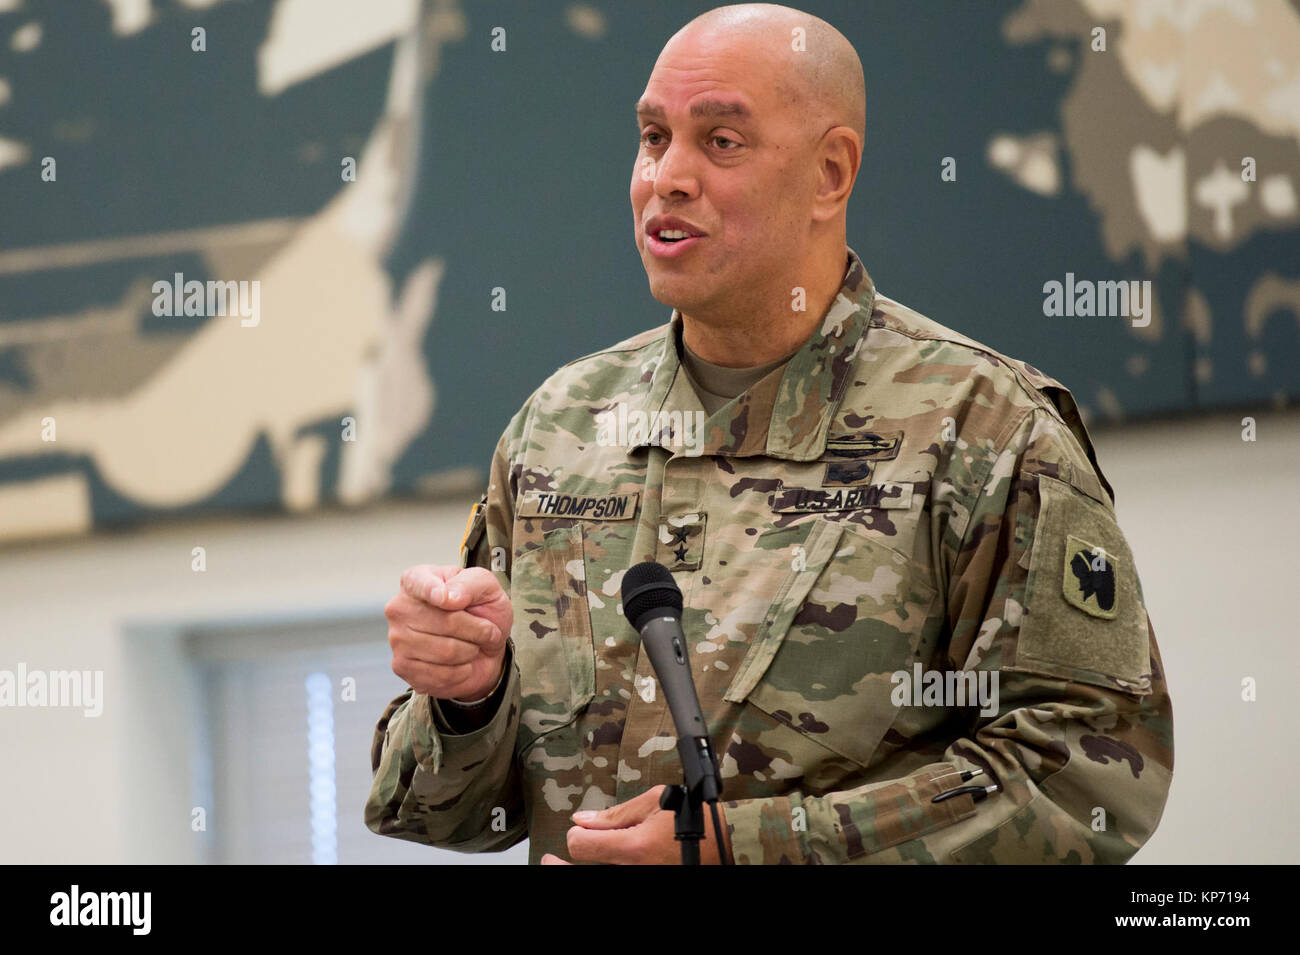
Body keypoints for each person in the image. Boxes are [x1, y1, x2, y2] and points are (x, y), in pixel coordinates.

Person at [365, 2, 1173, 865]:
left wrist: (745, 850)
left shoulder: (982, 428)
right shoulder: (558, 429)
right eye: (652, 137)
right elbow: (443, 816)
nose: (666, 177)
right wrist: (465, 695)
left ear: (830, 173)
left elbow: (1088, 778)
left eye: (721, 141)